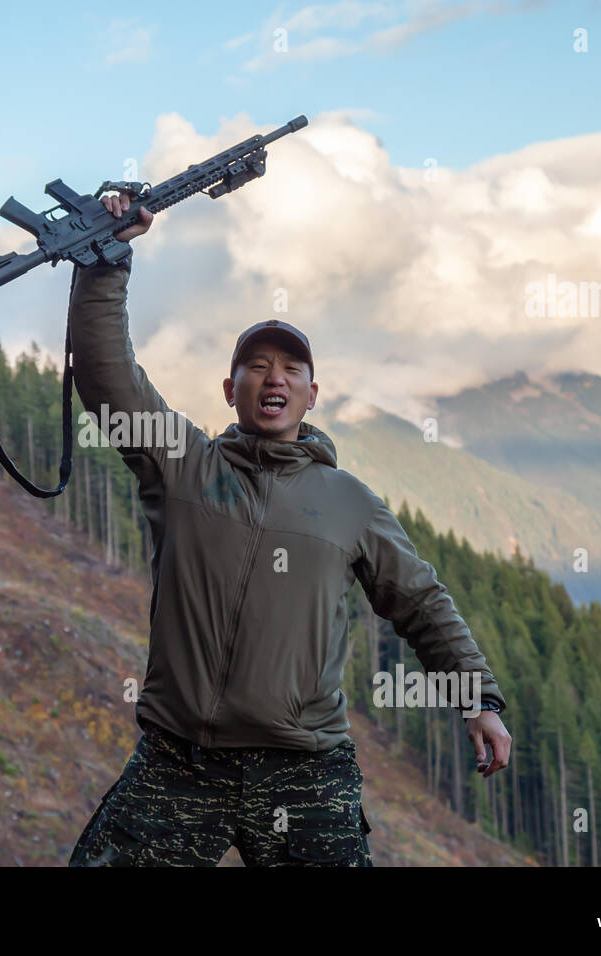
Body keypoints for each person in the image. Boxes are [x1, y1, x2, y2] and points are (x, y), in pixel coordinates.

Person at [66, 189, 511, 867]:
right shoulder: (182, 465)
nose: (274, 377)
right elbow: (107, 379)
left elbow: (421, 602)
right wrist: (105, 262)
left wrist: (476, 697)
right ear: (230, 389)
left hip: (305, 771)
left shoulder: (349, 501)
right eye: (257, 366)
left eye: (291, 369)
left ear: (310, 393)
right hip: (179, 762)